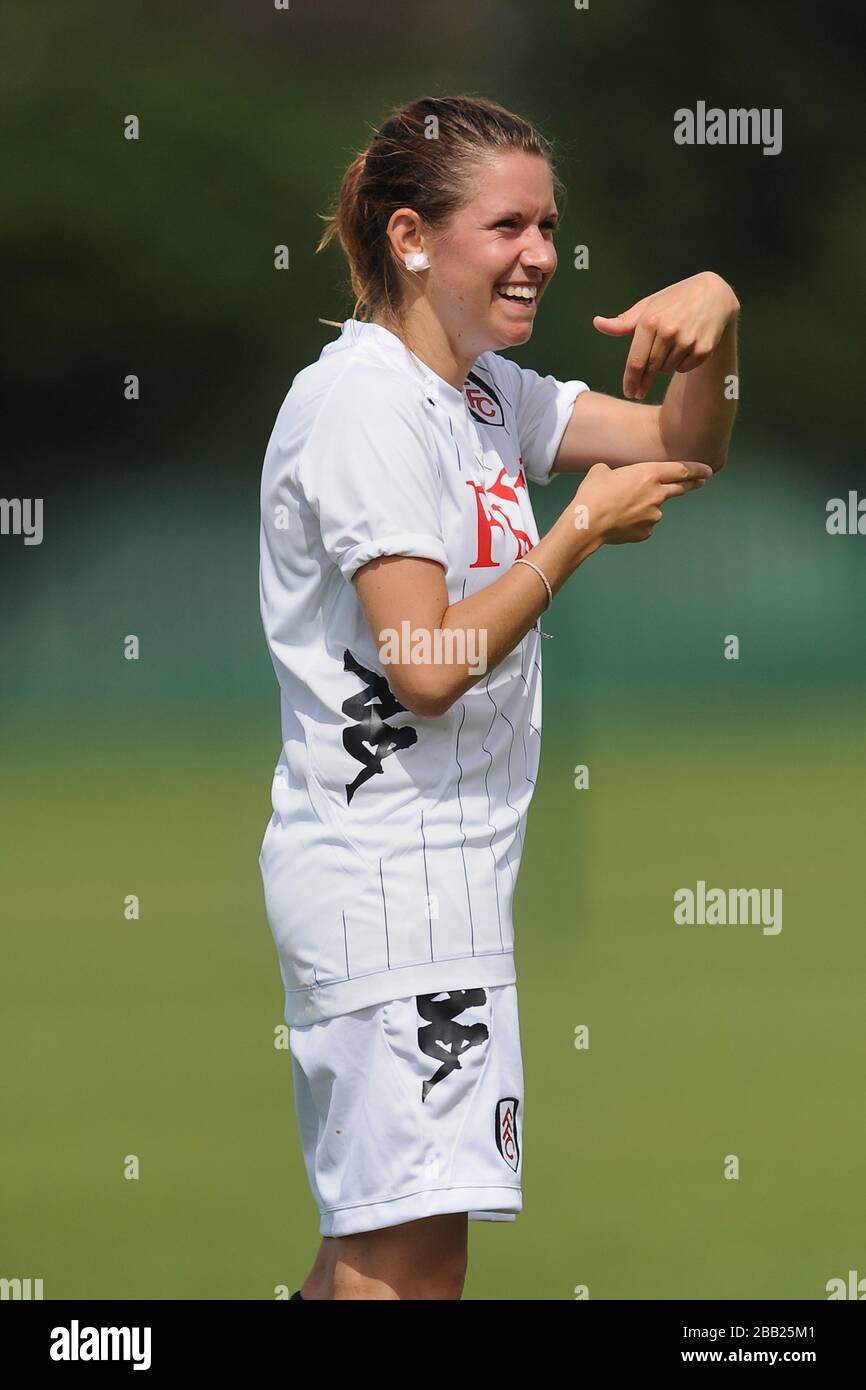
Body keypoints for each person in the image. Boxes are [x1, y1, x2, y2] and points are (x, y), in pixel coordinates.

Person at [258, 94, 739, 1301]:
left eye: (547, 225)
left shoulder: (482, 395)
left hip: (438, 884)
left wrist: (717, 320)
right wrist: (571, 535)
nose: (540, 253)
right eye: (508, 226)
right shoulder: (366, 402)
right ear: (412, 238)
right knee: (407, 1267)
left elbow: (687, 440)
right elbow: (420, 663)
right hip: (389, 884)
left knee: (377, 1255)